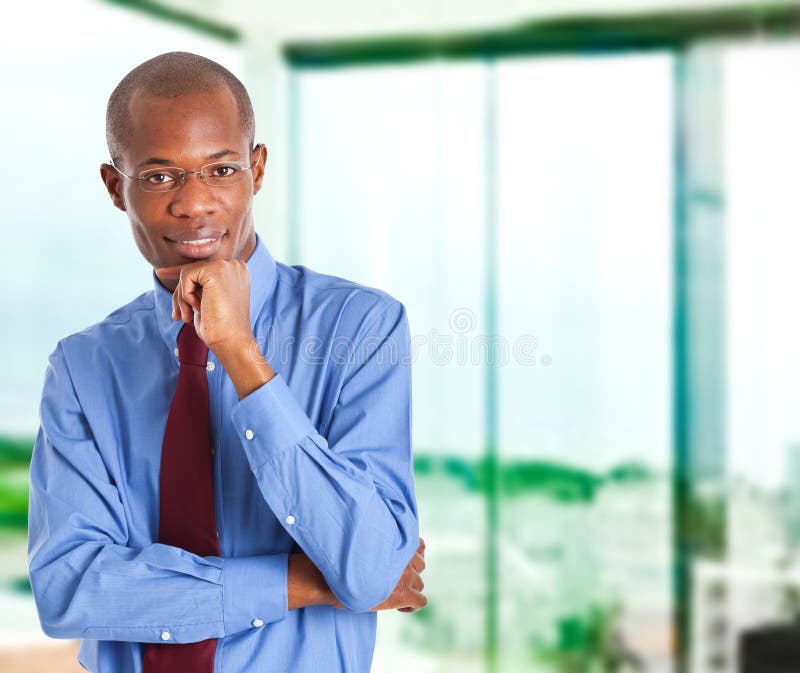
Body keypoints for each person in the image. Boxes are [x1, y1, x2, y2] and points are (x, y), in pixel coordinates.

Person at [26, 51, 426, 673]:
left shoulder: (360, 328)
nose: (195, 205)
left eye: (220, 169)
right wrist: (303, 583)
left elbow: (371, 564)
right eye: (160, 177)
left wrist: (241, 354)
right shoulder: (83, 366)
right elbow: (70, 589)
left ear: (256, 169)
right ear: (115, 186)